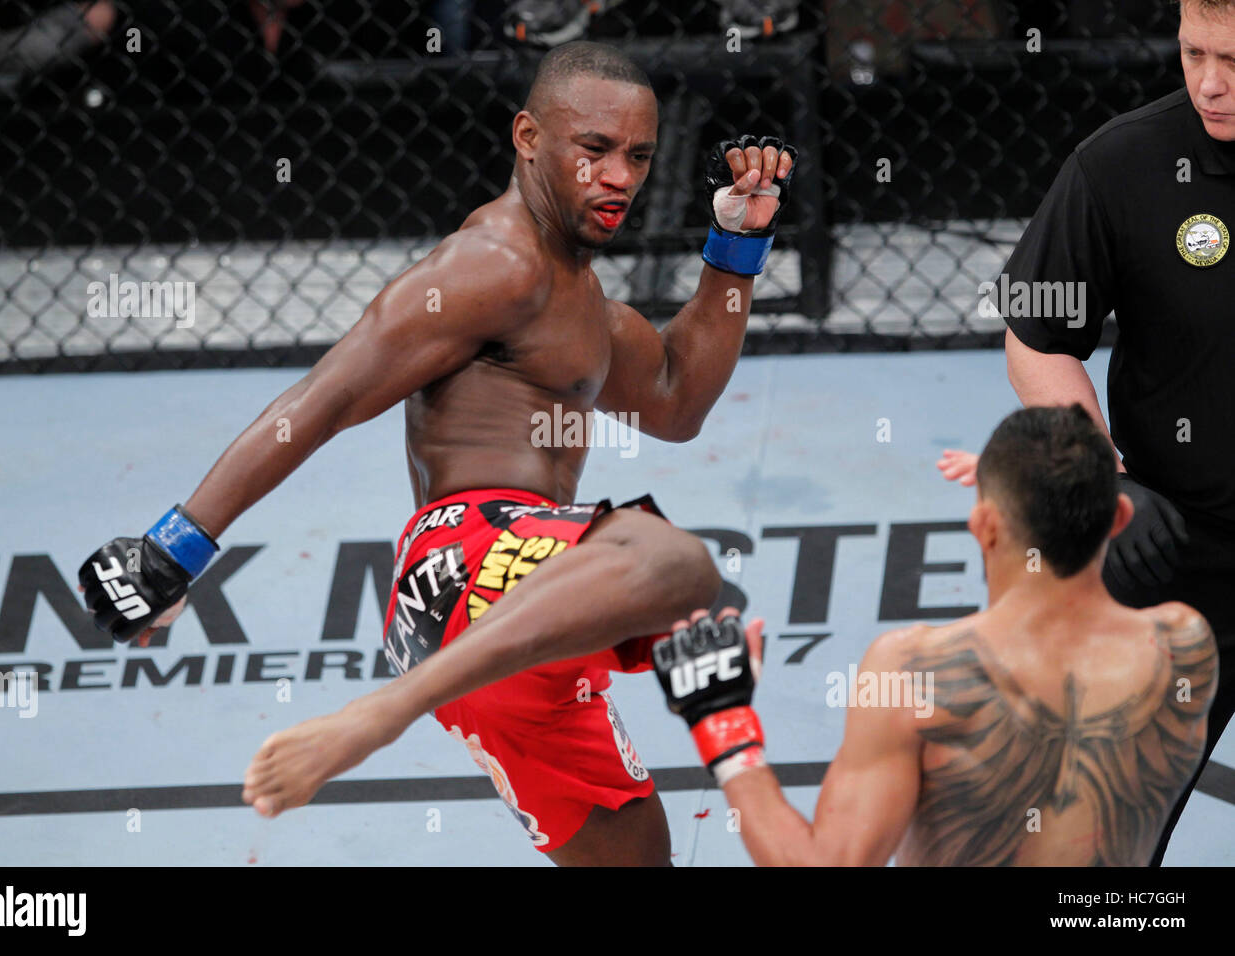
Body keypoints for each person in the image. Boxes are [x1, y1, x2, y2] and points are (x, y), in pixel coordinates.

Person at [77, 40, 797, 866]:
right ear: (528, 137)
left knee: (639, 856)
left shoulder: (584, 302)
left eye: (637, 156)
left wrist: (735, 246)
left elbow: (676, 400)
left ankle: (417, 697)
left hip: (509, 621)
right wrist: (171, 551)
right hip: (469, 559)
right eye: (592, 150)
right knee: (677, 564)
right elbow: (323, 402)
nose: (619, 178)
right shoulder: (493, 264)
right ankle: (380, 716)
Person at [655, 406, 1217, 866]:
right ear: (1119, 518)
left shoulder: (915, 669)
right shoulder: (1184, 645)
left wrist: (721, 725)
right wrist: (1043, 489)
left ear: (982, 526)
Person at [943, 0, 1235, 865]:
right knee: (1101, 844)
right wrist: (1098, 476)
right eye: (1194, 52)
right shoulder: (1126, 162)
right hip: (1176, 549)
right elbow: (1036, 333)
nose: (1211, 83)